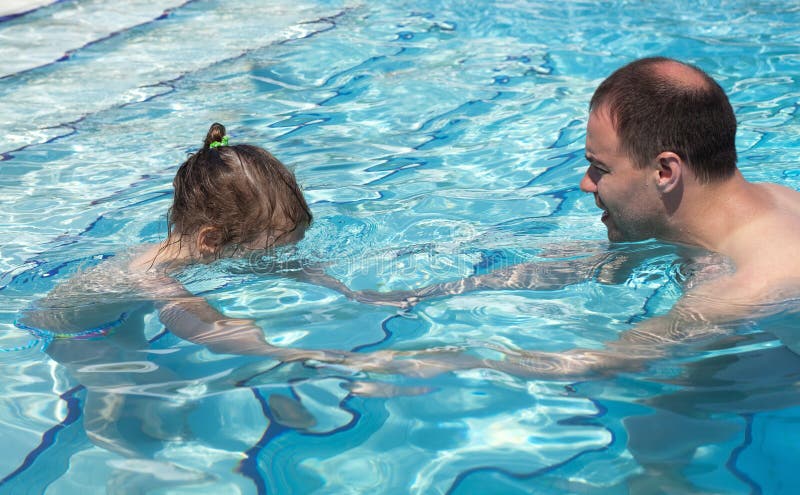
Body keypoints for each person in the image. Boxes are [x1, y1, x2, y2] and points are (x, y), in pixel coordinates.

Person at [348, 56, 800, 377]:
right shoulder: (760, 205)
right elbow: (605, 262)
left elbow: (610, 361)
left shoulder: (750, 286)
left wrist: (446, 361)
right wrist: (423, 294)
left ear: (666, 171)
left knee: (670, 396)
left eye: (600, 168)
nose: (586, 183)